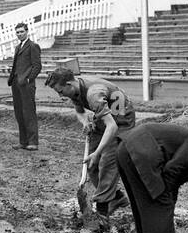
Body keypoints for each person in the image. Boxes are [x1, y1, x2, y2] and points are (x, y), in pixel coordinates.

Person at [45, 67, 134, 219]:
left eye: (60, 91)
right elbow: (80, 112)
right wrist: (85, 121)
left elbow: (112, 126)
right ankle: (117, 197)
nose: (60, 96)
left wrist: (98, 152)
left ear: (69, 84)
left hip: (121, 122)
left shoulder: (93, 94)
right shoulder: (75, 90)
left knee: (107, 162)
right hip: (104, 119)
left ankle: (102, 211)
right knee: (91, 165)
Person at [7, 22, 42, 149]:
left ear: (27, 31)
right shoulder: (18, 47)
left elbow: (37, 66)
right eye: (17, 32)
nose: (19, 34)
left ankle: (33, 142)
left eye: (22, 31)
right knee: (19, 112)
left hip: (26, 84)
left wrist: (28, 79)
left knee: (29, 112)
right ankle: (23, 141)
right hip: (16, 83)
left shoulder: (33, 46)